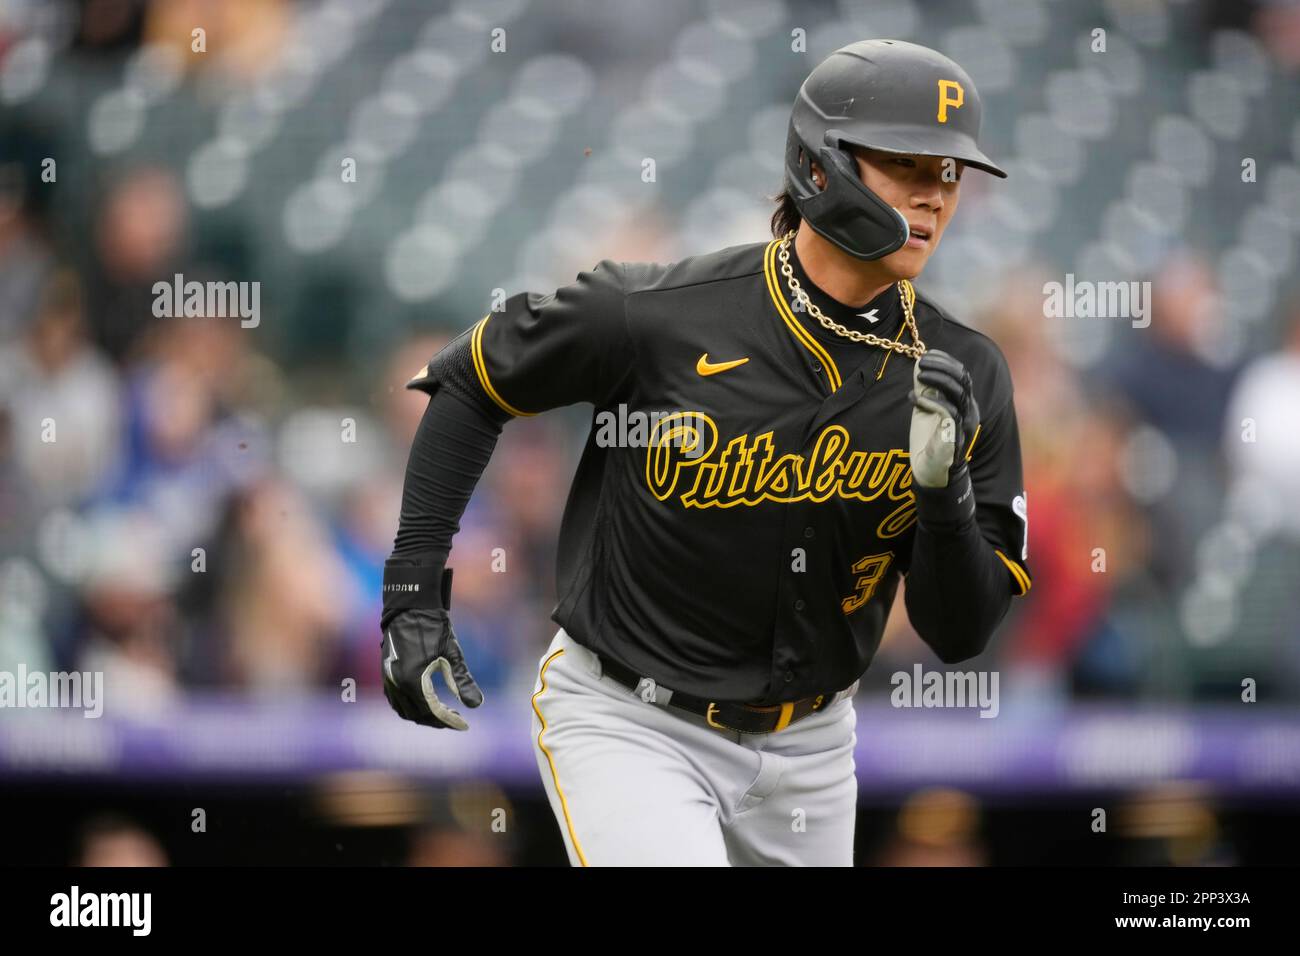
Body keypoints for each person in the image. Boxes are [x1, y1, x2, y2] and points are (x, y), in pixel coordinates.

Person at [381, 39, 1033, 866]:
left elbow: (959, 631)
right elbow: (473, 382)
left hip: (814, 748)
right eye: (905, 162)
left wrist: (942, 501)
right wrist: (412, 594)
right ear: (821, 165)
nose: (933, 195)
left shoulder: (965, 371)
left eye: (948, 173)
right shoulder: (659, 314)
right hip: (631, 719)